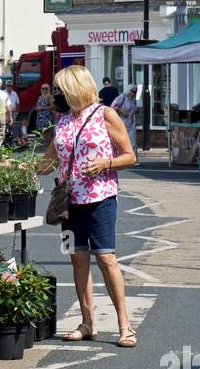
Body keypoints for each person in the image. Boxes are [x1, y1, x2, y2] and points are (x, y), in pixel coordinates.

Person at [38, 65, 139, 347]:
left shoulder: (105, 114)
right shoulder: (62, 121)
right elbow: (47, 163)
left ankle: (125, 326)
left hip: (100, 197)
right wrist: (15, 166)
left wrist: (106, 163)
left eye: (60, 90)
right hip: (69, 200)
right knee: (78, 258)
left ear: (75, 89)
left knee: (106, 259)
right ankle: (87, 323)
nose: (56, 96)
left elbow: (130, 156)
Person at [111, 84, 140, 150]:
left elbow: (134, 110)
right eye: (134, 92)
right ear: (129, 91)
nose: (135, 94)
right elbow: (112, 106)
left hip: (131, 124)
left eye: (136, 92)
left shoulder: (133, 100)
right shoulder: (122, 97)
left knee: (132, 143)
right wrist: (122, 111)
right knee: (122, 143)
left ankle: (131, 159)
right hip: (122, 123)